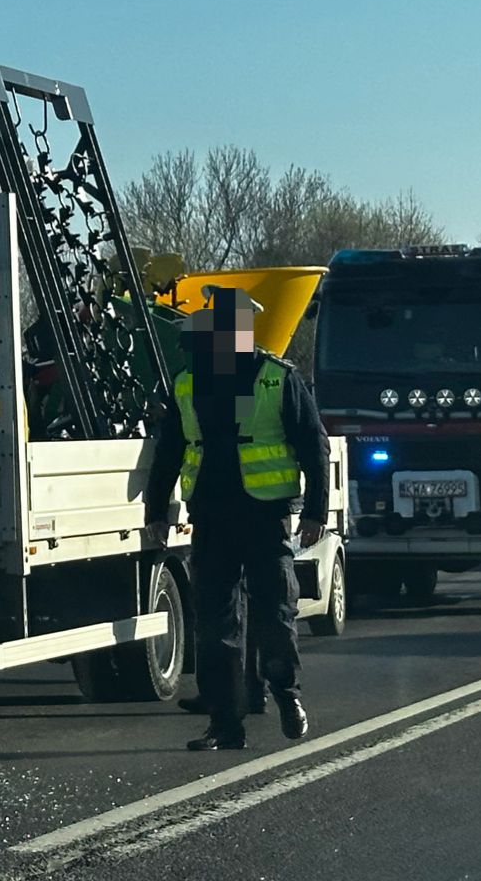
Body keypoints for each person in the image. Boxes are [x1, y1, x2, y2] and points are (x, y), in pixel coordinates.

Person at [145, 288, 328, 752]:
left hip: (265, 518)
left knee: (275, 614)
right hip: (211, 515)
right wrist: (155, 511)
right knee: (215, 624)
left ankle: (287, 695)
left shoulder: (275, 378)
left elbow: (314, 444)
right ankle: (225, 724)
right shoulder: (189, 382)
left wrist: (315, 511)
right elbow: (170, 450)